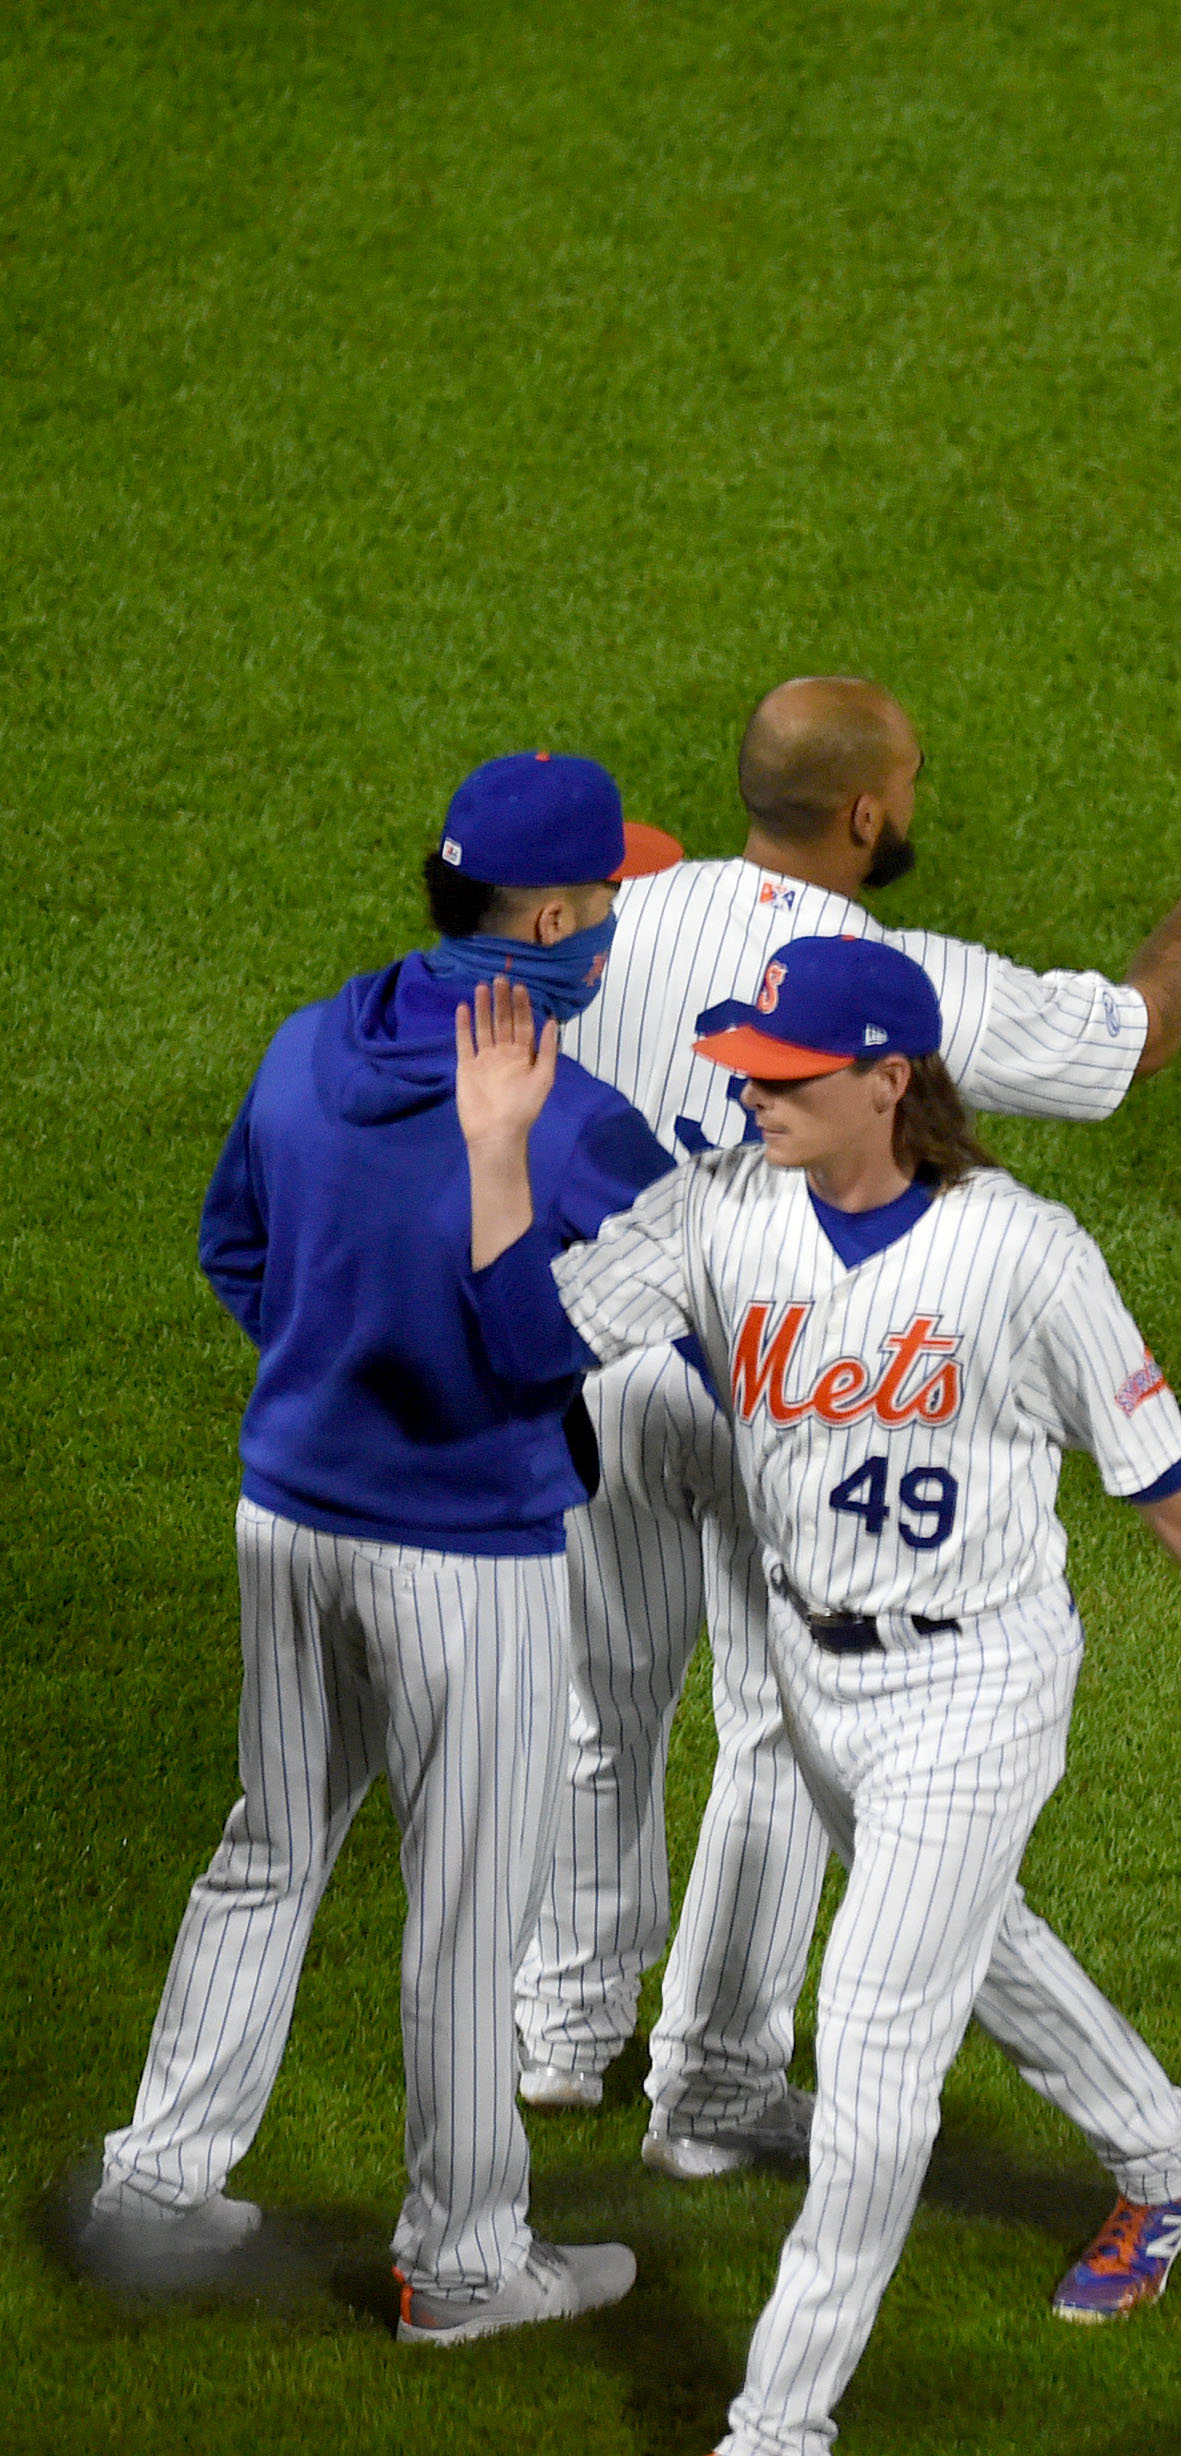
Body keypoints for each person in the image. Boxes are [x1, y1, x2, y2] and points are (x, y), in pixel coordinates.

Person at [457, 937, 1181, 2450]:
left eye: (786, 1076)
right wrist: (496, 1156)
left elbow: (1157, 1465)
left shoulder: (1025, 1254)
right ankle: (1174, 2158)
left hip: (975, 1680)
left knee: (870, 2049)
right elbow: (530, 1345)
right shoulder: (725, 1207)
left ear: (889, 1082)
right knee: (970, 1933)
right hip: (810, 1663)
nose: (749, 1091)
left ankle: (778, 2428)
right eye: (747, 1065)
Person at [513, 679, 1181, 2193]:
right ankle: (715, 2086)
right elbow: (1139, 1038)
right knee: (769, 1730)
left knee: (601, 1705)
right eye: (912, 782)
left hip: (610, 1348)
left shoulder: (628, 917)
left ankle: (561, 2026)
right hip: (774, 1376)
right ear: (868, 812)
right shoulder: (899, 978)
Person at [84, 754, 675, 2340]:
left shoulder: (304, 1046)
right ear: (548, 919)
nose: (617, 918)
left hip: (285, 1513)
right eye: (607, 896)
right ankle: (466, 2262)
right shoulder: (585, 1125)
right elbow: (552, 1357)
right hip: (464, 1562)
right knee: (469, 1910)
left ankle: (157, 2179)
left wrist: (337, 1370)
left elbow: (233, 1248)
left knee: (268, 1850)